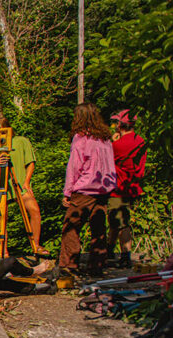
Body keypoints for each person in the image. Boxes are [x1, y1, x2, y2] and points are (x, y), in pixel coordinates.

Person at [58, 102, 117, 275]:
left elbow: (74, 167)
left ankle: (69, 265)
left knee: (71, 227)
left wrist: (67, 191)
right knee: (98, 228)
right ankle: (97, 265)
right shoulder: (105, 138)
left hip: (85, 188)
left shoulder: (81, 138)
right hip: (103, 188)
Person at [0, 117, 47, 254]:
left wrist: (26, 182)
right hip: (3, 186)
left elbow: (30, 162)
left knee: (34, 211)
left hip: (20, 185)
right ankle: (3, 250)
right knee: (2, 218)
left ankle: (36, 245)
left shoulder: (21, 141)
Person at [107, 109, 147, 268]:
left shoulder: (118, 145)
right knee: (115, 219)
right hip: (133, 185)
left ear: (119, 125)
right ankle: (110, 249)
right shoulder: (140, 141)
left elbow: (106, 158)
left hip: (119, 187)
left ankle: (125, 255)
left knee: (122, 221)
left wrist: (112, 142)